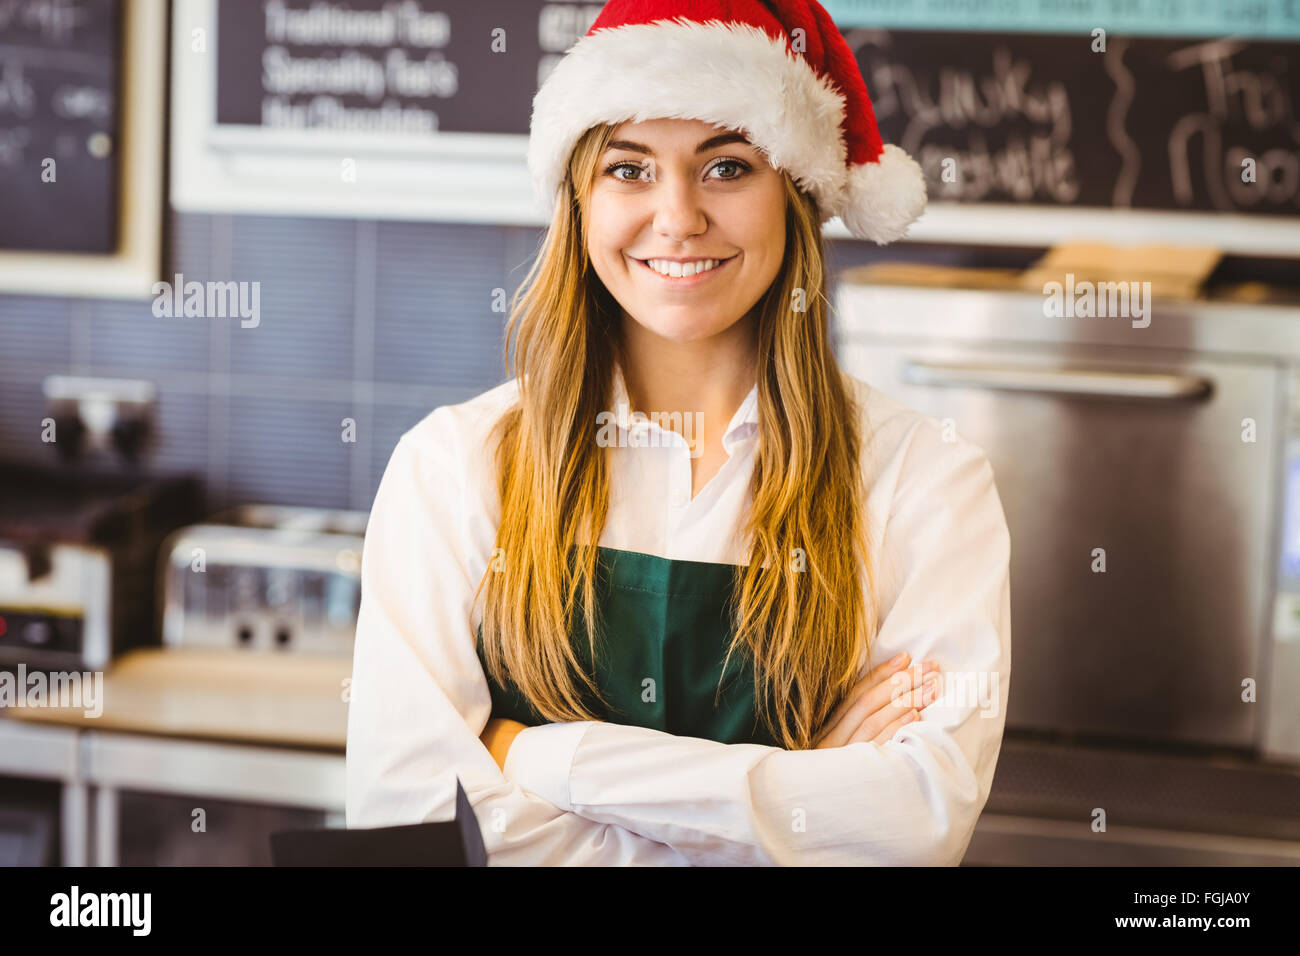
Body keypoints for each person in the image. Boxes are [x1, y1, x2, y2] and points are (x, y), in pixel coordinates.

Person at [345, 0, 1011, 866]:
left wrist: (535, 754)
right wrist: (801, 786)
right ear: (579, 198)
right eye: (629, 169)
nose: (678, 216)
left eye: (728, 167)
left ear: (795, 199)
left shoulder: (924, 479)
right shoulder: (452, 467)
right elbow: (417, 840)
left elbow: (912, 829)